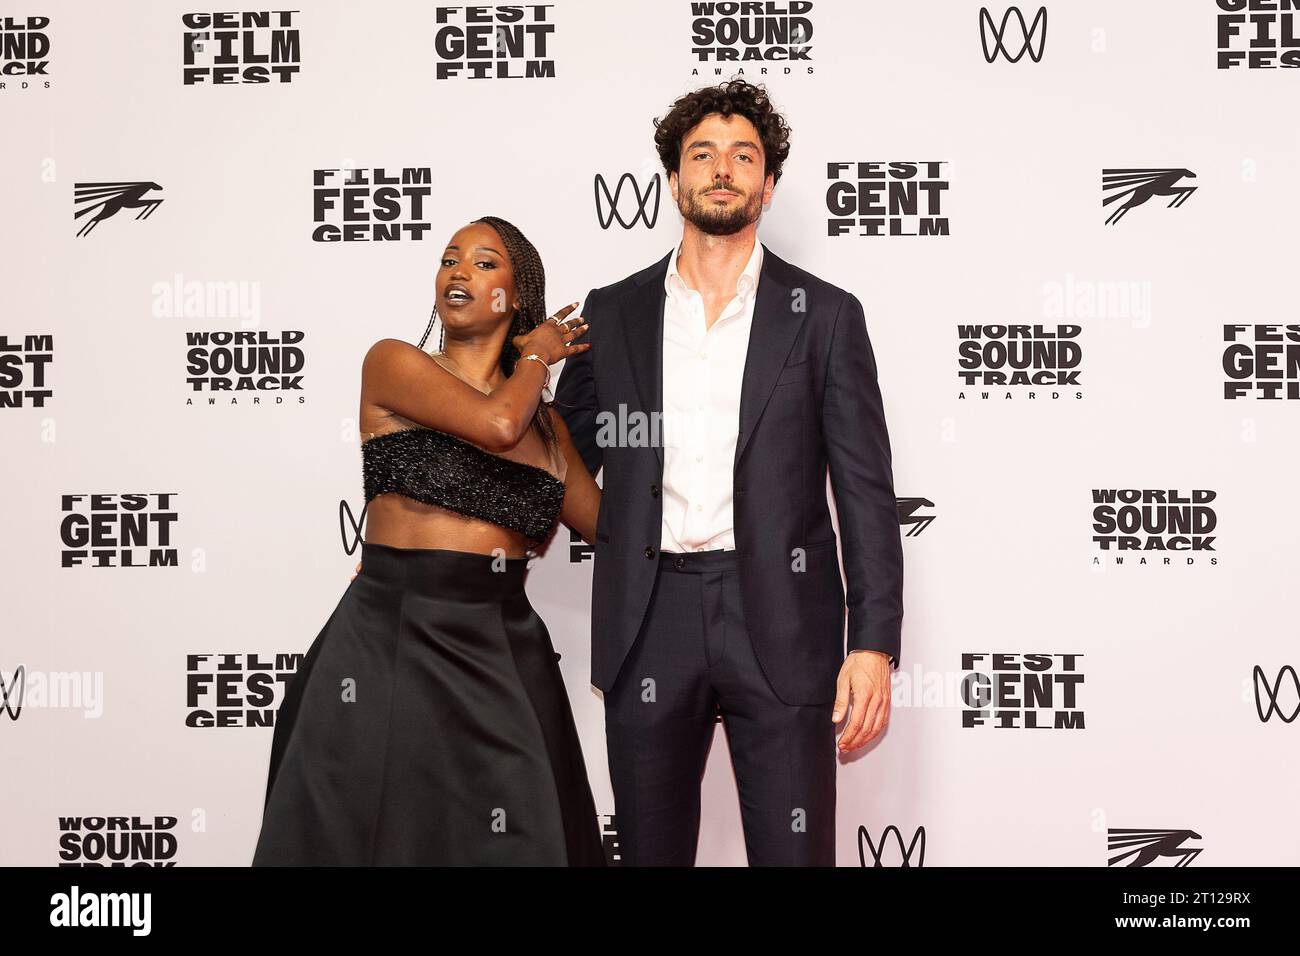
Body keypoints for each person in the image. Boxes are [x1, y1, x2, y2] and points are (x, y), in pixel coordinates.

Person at [553, 79, 905, 866]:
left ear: (768, 183)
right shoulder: (612, 315)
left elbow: (866, 495)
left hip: (781, 617)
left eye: (743, 156)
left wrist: (873, 642)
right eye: (701, 155)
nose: (722, 170)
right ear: (673, 179)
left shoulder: (825, 316)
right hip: (650, 621)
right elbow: (559, 455)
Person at [252, 216, 607, 866]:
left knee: (522, 838)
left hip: (502, 648)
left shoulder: (551, 431)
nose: (459, 272)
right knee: (363, 835)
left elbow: (617, 533)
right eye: (449, 260)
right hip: (387, 639)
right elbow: (497, 424)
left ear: (517, 294)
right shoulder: (394, 363)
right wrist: (536, 354)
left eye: (482, 261)